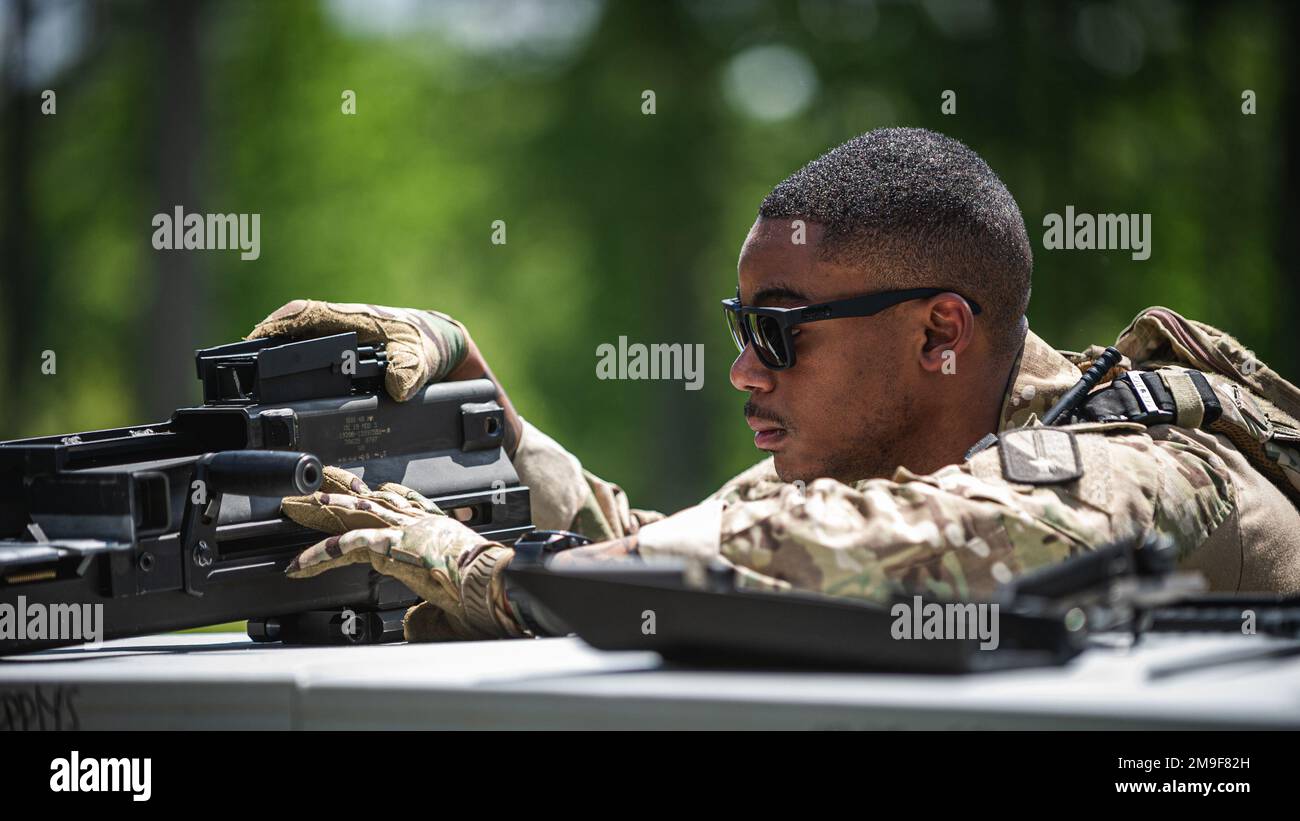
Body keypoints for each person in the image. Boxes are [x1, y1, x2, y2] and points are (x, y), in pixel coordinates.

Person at [250, 127, 1300, 642]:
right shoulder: (894, 462)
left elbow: (830, 560)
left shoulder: (1133, 473)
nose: (746, 368)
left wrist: (494, 575)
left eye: (780, 330)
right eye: (740, 327)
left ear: (940, 334)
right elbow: (665, 537)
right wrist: (491, 418)